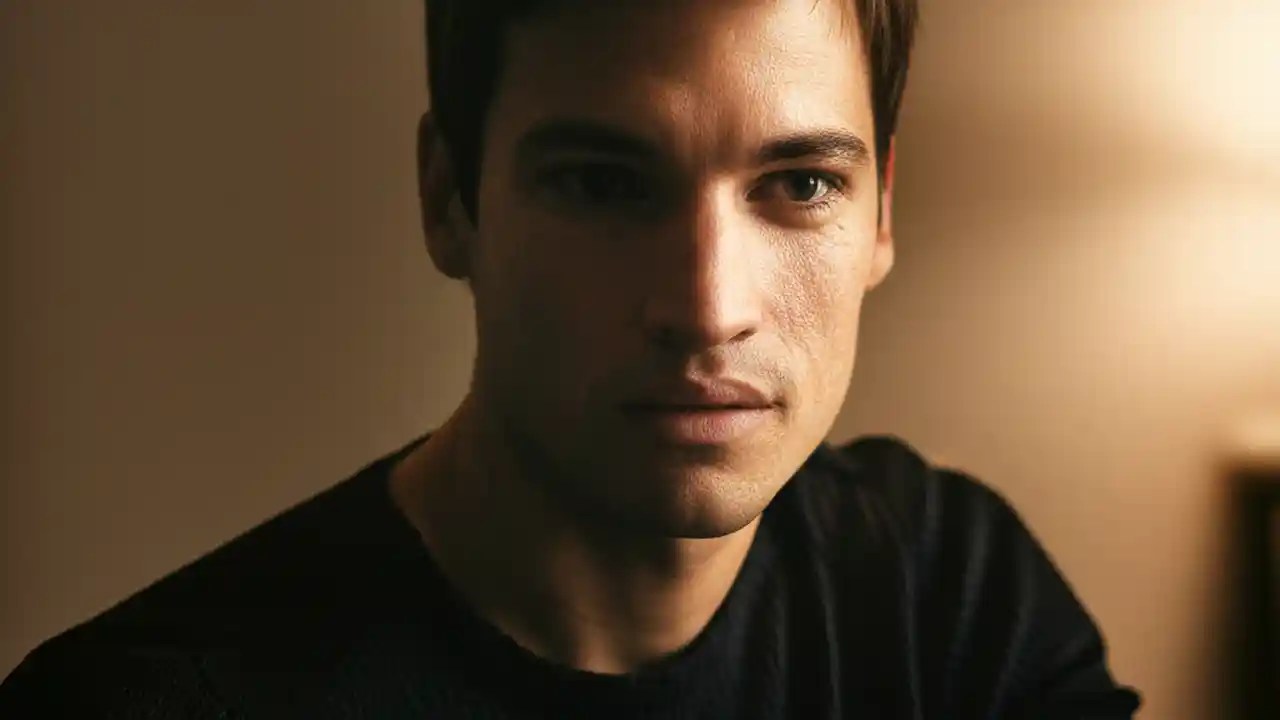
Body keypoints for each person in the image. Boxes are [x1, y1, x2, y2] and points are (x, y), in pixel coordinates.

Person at [0, 0, 1142, 716]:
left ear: (880, 212)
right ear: (451, 201)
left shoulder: (950, 592)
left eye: (798, 185)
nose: (706, 309)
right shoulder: (144, 701)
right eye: (603, 183)